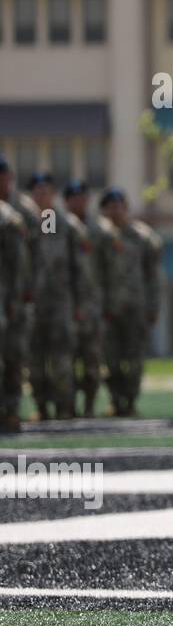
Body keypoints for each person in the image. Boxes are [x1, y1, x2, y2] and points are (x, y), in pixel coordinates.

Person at [18, 173, 79, 420]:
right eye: (37, 192)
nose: (41, 196)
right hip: (32, 302)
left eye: (46, 191)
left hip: (58, 302)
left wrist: (79, 303)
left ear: (53, 194)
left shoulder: (60, 223)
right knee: (35, 358)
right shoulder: (23, 221)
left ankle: (65, 407)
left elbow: (76, 266)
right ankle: (41, 405)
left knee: (61, 357)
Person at [97, 189, 162, 417]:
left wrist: (154, 306)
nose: (115, 211)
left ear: (126, 208)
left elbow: (153, 276)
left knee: (134, 359)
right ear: (103, 210)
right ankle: (116, 400)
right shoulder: (98, 237)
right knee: (110, 360)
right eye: (110, 206)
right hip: (107, 309)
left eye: (119, 206)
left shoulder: (143, 237)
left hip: (136, 308)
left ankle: (130, 400)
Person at [63, 179, 105, 418]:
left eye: (83, 197)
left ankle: (89, 406)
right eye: (74, 198)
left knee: (91, 359)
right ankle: (66, 407)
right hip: (64, 305)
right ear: (67, 201)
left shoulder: (100, 230)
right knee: (64, 359)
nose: (79, 202)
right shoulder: (56, 227)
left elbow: (110, 269)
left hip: (92, 305)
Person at [0, 156, 27, 433]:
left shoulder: (10, 216)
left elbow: (18, 264)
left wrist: (15, 300)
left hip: (6, 300)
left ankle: (9, 411)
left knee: (11, 356)